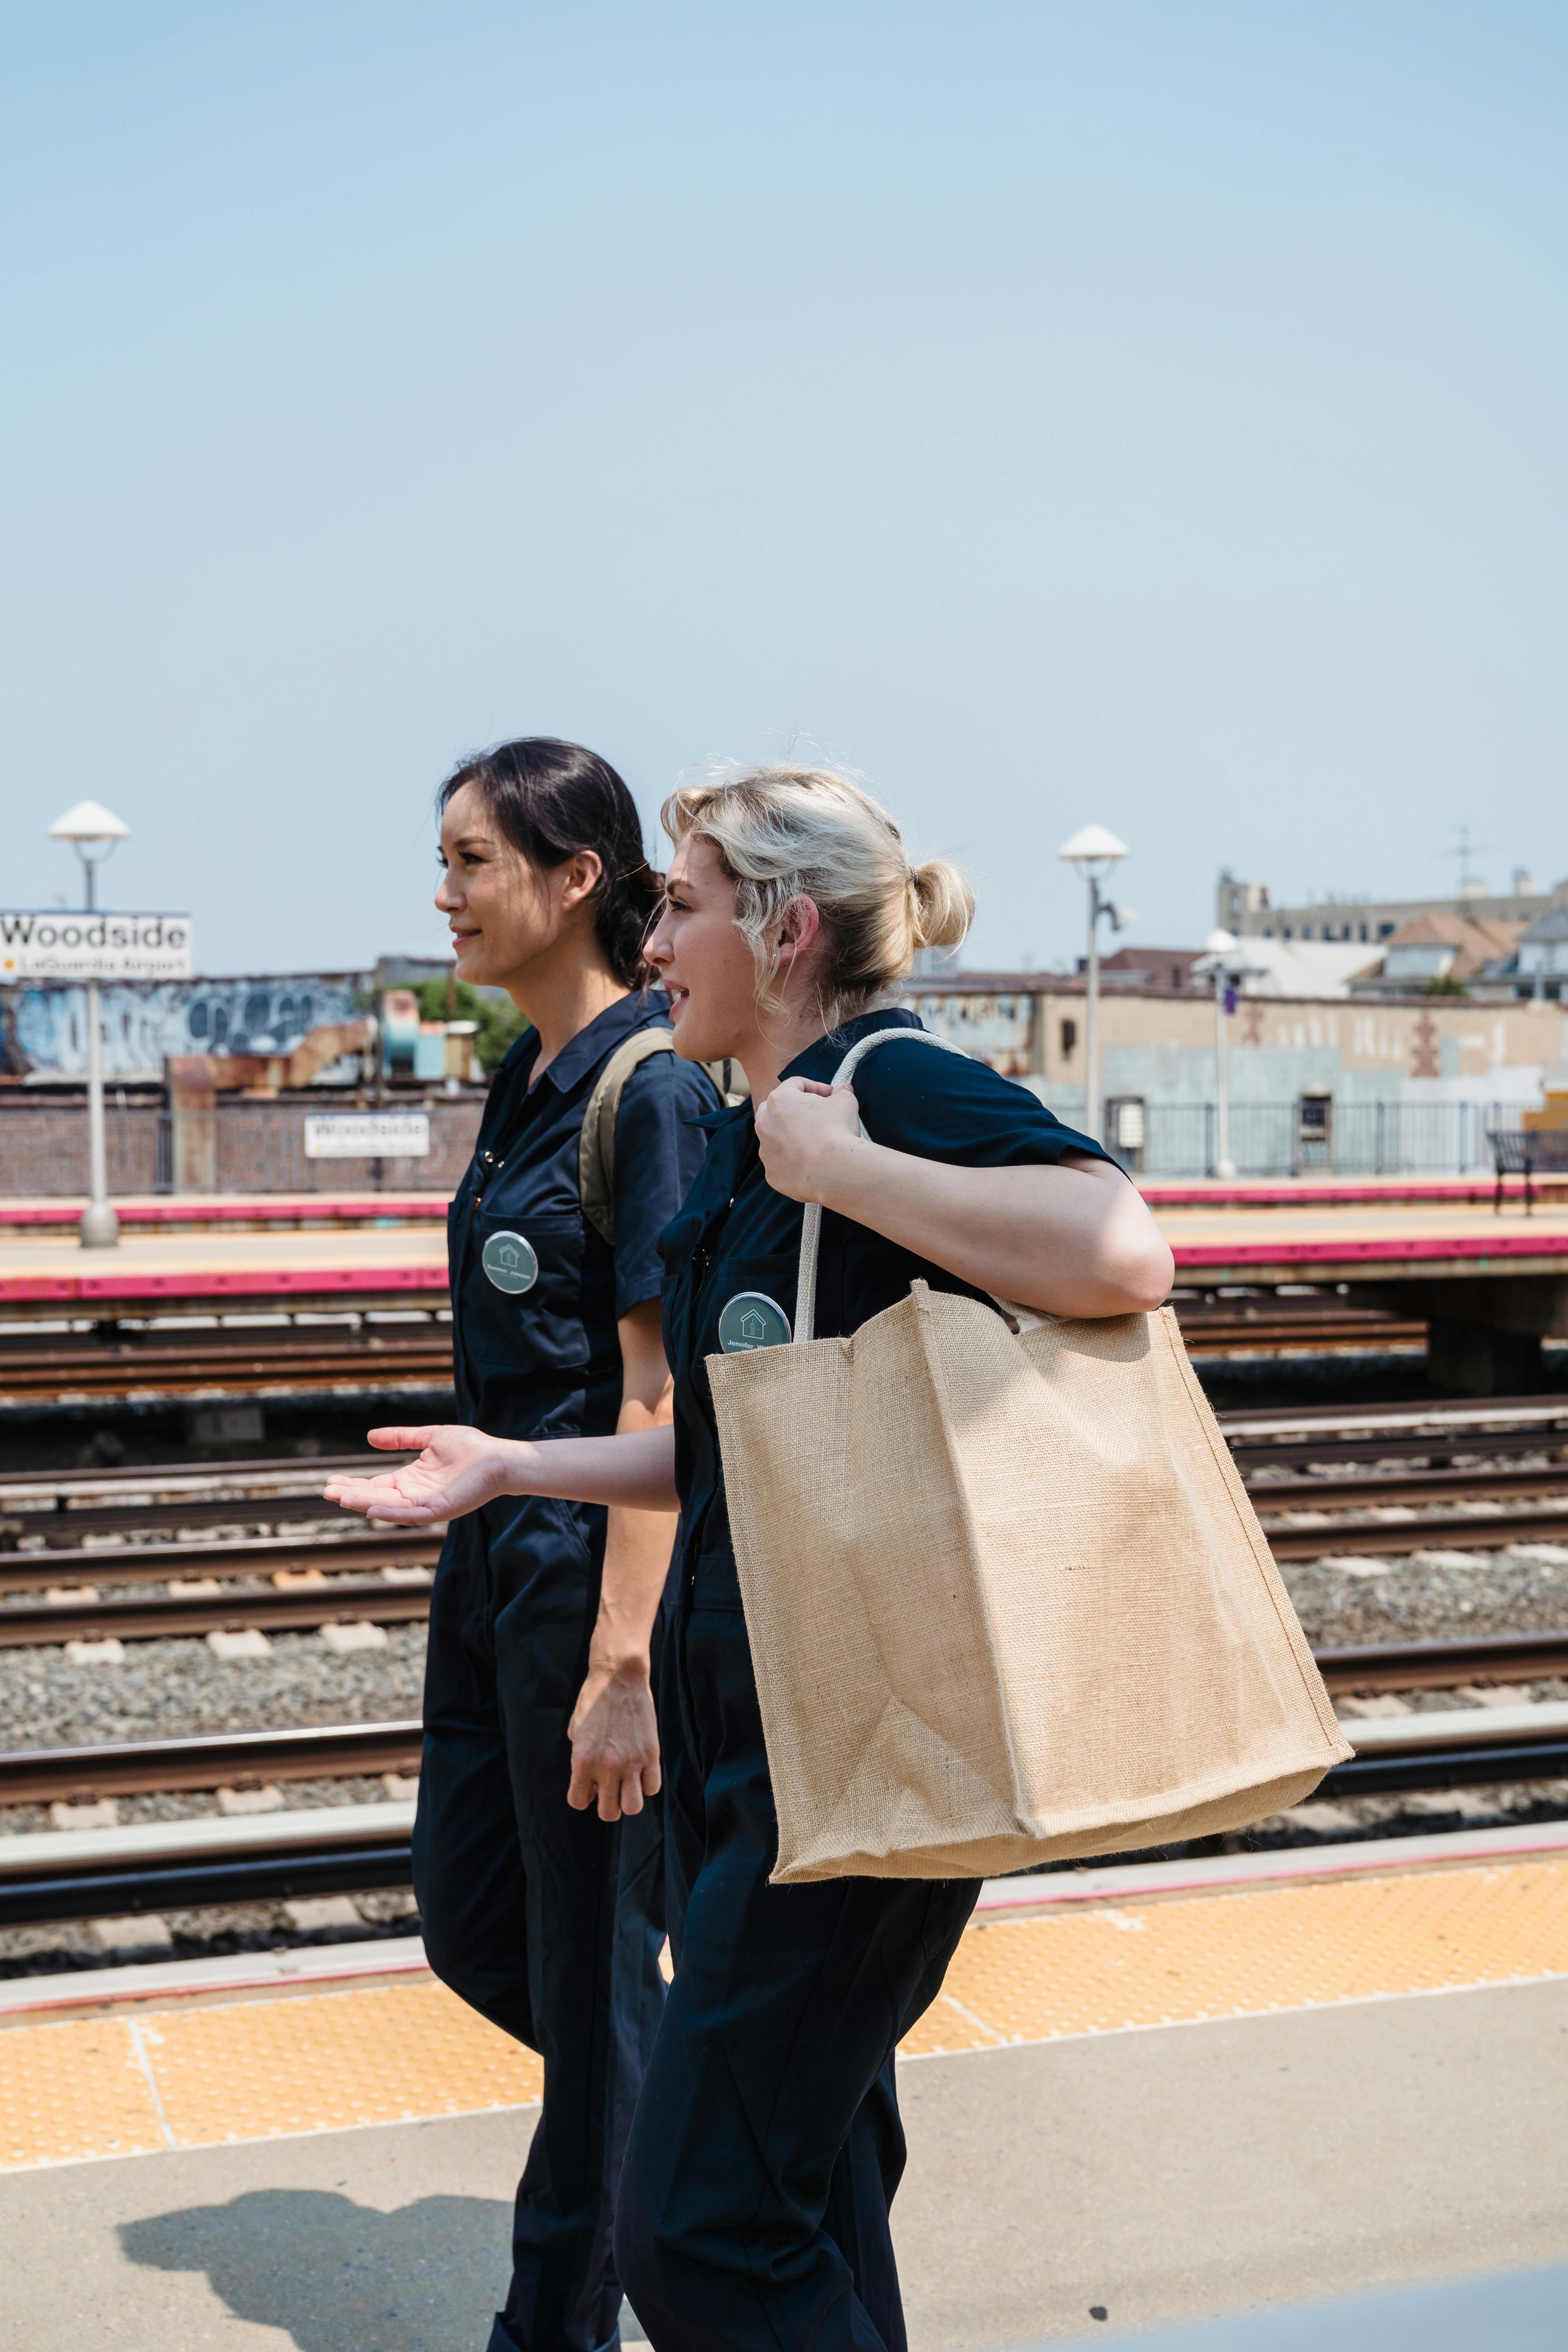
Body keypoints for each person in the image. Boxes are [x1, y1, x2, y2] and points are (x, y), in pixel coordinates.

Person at [329, 766, 1175, 2352]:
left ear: (784, 931)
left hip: (857, 1743)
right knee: (796, 2195)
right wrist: (514, 1464)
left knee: (703, 2235)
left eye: (692, 906)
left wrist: (849, 1171)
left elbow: (1124, 1252)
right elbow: (721, 1445)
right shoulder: (739, 1144)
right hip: (758, 1751)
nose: (660, 944)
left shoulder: (883, 1083)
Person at [412, 737, 718, 2352]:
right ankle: (710, 2141)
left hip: (591, 1579)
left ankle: (559, 2323)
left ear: (573, 878)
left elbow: (666, 1399)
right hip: (488, 1567)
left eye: (472, 860)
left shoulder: (647, 1087)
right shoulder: (520, 1077)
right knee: (471, 1923)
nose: (445, 890)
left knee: (599, 2000)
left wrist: (624, 1664)